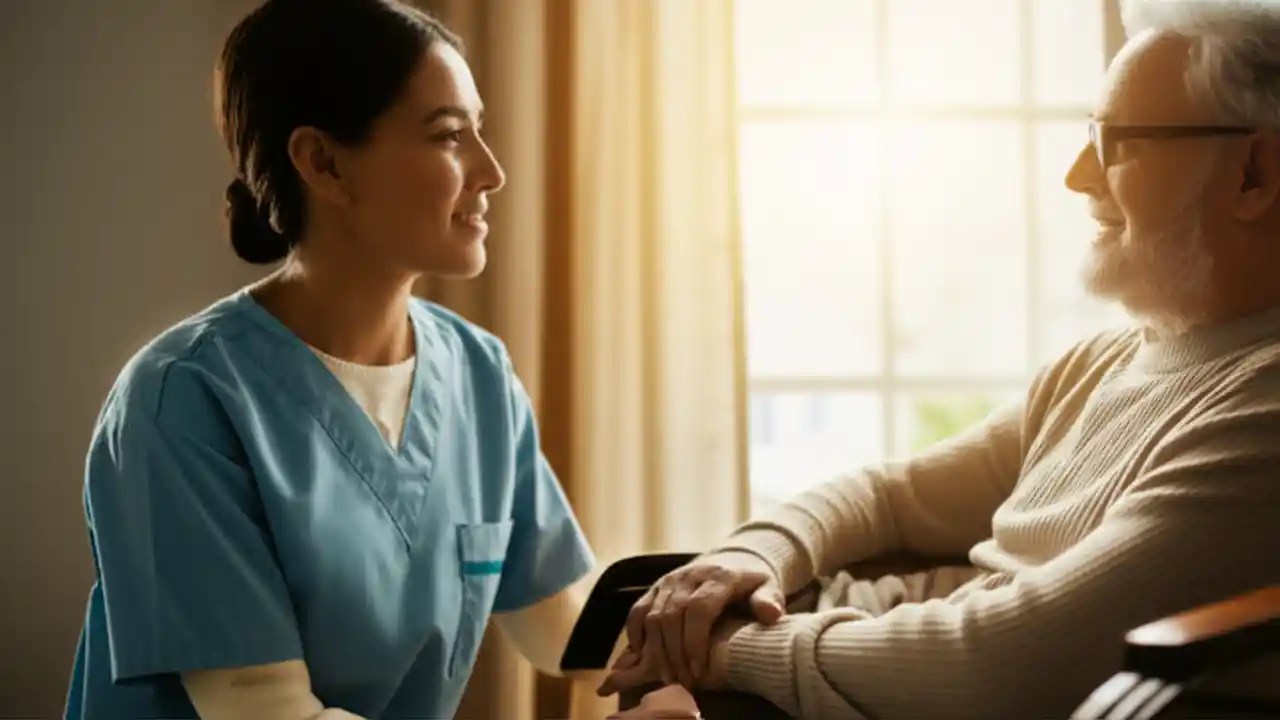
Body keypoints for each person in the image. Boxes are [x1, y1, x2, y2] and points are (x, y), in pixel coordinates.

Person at [600, 1, 1280, 718]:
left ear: (1254, 174)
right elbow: (887, 498)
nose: (1079, 176)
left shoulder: (1264, 406)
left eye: (1117, 143)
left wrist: (725, 652)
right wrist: (750, 558)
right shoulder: (1099, 365)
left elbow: (997, 665)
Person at [63, 1, 595, 718]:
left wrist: (716, 607)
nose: (492, 171)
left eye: (481, 131)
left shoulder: (478, 373)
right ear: (323, 162)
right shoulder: (181, 401)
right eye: (448, 136)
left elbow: (566, 629)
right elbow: (266, 710)